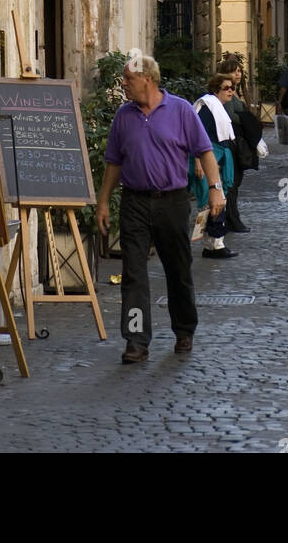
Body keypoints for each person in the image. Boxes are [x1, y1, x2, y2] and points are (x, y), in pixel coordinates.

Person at [97, 52, 225, 363]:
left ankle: (184, 330)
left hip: (172, 200)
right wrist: (103, 201)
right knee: (134, 274)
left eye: (129, 78)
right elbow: (114, 162)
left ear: (148, 80)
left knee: (177, 269)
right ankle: (136, 340)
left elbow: (205, 151)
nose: (124, 84)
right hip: (134, 202)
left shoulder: (180, 110)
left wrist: (215, 190)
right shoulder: (124, 116)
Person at [191, 74, 238, 259]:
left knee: (219, 199)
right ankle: (214, 244)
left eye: (232, 87)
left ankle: (213, 244)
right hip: (207, 157)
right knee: (209, 201)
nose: (230, 91)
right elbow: (196, 135)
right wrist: (198, 162)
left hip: (217, 155)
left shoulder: (217, 107)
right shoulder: (207, 106)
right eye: (226, 87)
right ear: (215, 89)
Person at [217, 54, 258, 233]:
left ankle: (230, 218)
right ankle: (230, 219)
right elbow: (229, 117)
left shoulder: (235, 94)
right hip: (231, 144)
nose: (238, 74)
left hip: (237, 143)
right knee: (231, 182)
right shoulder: (227, 94)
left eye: (240, 70)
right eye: (234, 71)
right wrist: (246, 118)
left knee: (234, 182)